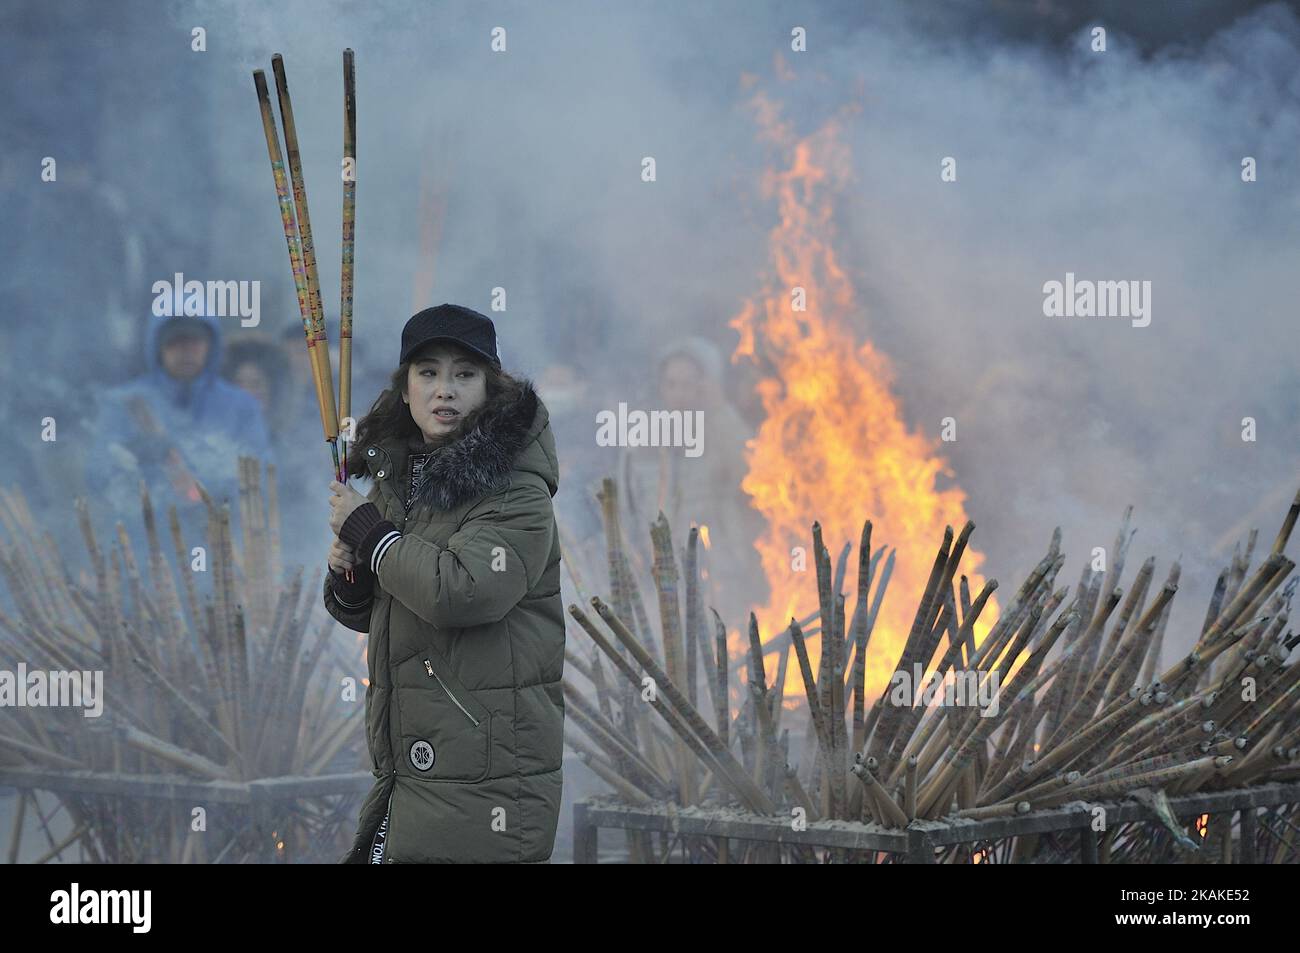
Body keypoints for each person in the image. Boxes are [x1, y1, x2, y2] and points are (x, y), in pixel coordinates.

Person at [324, 303, 565, 864]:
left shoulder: (516, 490)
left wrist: (373, 535)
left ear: (491, 389)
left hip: (486, 780)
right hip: (413, 772)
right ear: (405, 391)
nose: (445, 390)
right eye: (428, 373)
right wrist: (351, 576)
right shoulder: (399, 479)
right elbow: (385, 607)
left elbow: (461, 592)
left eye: (465, 374)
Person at [88, 307, 272, 543]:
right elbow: (97, 472)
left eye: (194, 342)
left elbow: (262, 473)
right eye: (175, 342)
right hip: (146, 543)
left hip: (222, 542)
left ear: (210, 345)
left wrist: (214, 491)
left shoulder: (241, 406)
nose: (186, 352)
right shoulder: (125, 402)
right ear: (158, 347)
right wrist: (134, 456)